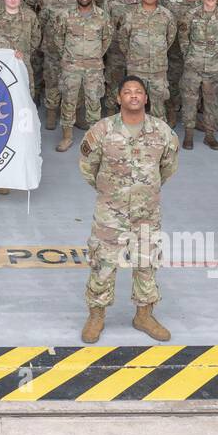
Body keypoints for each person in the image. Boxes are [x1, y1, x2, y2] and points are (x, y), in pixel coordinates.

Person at [78, 76, 179, 344]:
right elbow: (88, 167)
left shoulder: (162, 132)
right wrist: (112, 192)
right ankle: (96, 316)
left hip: (146, 213)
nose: (133, 96)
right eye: (127, 92)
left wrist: (142, 191)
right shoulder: (102, 130)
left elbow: (167, 167)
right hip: (110, 212)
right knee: (102, 263)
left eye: (138, 92)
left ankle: (144, 315)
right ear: (118, 98)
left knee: (146, 263)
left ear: (146, 98)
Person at [55, 0, 111, 152]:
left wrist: (94, 56)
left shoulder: (102, 15)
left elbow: (106, 39)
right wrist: (69, 57)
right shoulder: (66, 15)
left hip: (93, 68)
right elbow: (58, 38)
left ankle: (93, 139)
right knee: (68, 101)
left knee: (94, 102)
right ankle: (67, 137)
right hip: (71, 67)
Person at [178, 0, 218, 150]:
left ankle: (210, 135)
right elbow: (183, 37)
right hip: (193, 66)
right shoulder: (191, 14)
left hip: (214, 68)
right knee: (189, 101)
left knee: (212, 102)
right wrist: (188, 56)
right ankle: (189, 134)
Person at [116, 0, 177, 122]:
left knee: (158, 107)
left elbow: (170, 38)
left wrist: (158, 53)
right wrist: (134, 56)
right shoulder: (130, 15)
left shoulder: (166, 15)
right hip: (136, 69)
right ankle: (133, 138)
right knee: (133, 106)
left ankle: (159, 139)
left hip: (158, 70)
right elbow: (123, 39)